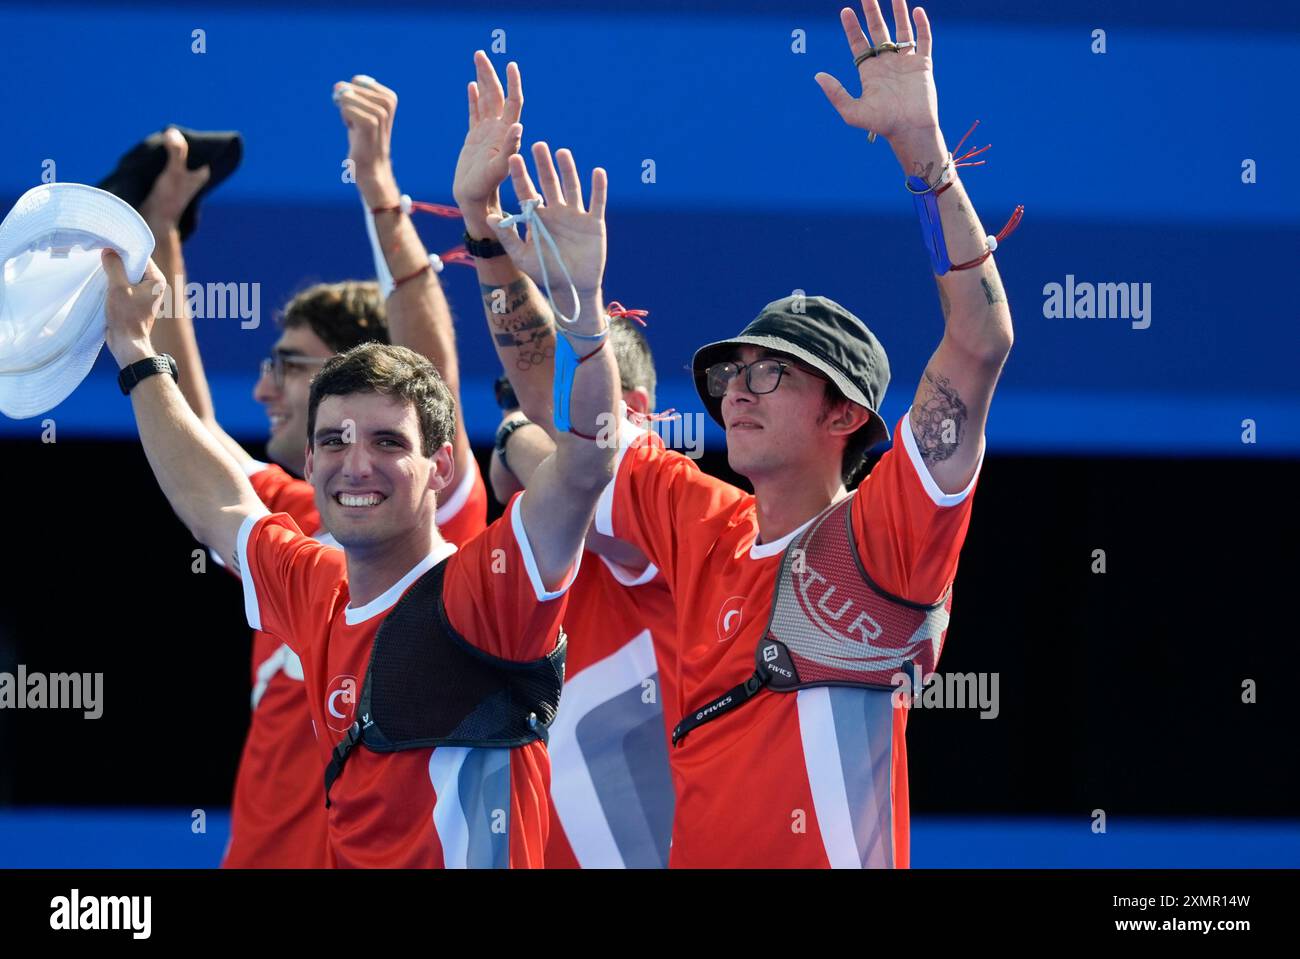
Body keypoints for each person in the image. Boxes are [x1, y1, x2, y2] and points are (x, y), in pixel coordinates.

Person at [480, 0, 1014, 867]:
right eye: (732, 373)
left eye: (773, 373)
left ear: (844, 415)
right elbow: (562, 410)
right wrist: (509, 258)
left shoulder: (884, 539)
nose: (737, 393)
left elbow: (981, 341)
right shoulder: (701, 523)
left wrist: (923, 148)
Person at [99, 127, 617, 863]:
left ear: (440, 466)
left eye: (387, 443)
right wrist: (136, 356)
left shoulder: (489, 589)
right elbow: (213, 496)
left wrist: (583, 317)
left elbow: (587, 465)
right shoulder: (314, 586)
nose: (357, 466)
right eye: (336, 443)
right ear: (310, 463)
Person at [138, 77, 489, 866]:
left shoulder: (445, 520)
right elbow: (193, 438)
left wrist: (379, 189)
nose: (263, 389)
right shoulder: (297, 540)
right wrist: (158, 234)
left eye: (290, 367)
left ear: (360, 376)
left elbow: (427, 372)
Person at [453, 51, 680, 867]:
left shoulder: (668, 527)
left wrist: (517, 431)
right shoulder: (529, 555)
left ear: (637, 414)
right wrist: (475, 223)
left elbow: (571, 426)